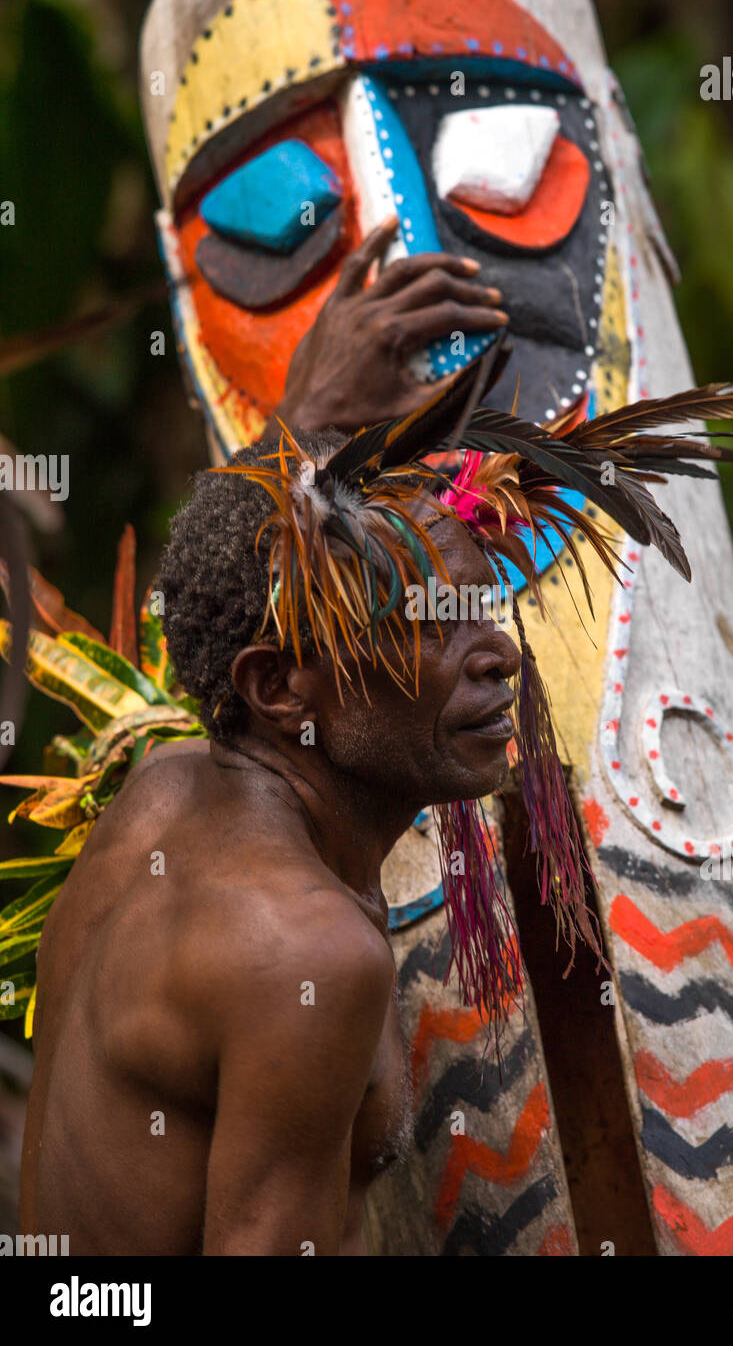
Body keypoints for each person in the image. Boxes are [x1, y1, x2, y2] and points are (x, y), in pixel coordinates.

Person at [17, 431, 521, 1256]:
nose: (498, 655)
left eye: (481, 608)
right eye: (433, 626)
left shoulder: (163, 788)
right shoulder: (304, 954)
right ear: (278, 688)